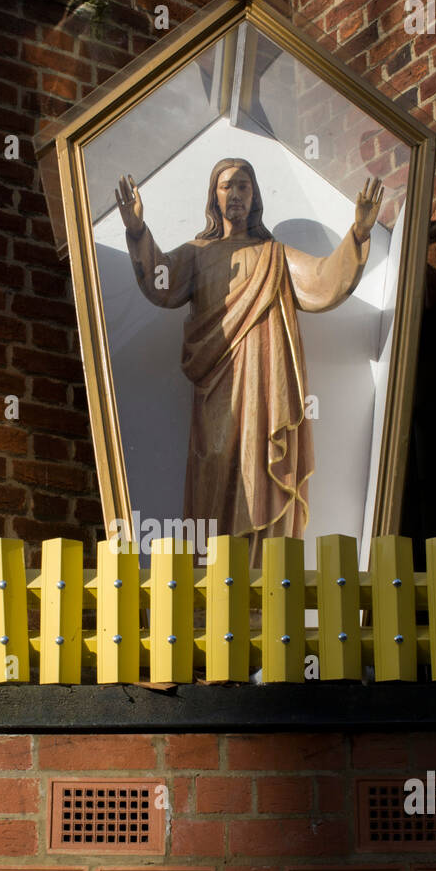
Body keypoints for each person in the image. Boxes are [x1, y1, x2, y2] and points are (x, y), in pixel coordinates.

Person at [116, 158, 383, 566]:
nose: (236, 194)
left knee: (262, 466)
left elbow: (323, 281)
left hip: (266, 385)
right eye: (227, 186)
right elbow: (161, 282)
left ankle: (265, 580)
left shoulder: (274, 256)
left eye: (243, 186)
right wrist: (137, 229)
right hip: (216, 390)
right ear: (214, 196)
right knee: (216, 465)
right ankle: (211, 580)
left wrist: (358, 233)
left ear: (254, 196)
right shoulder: (197, 254)